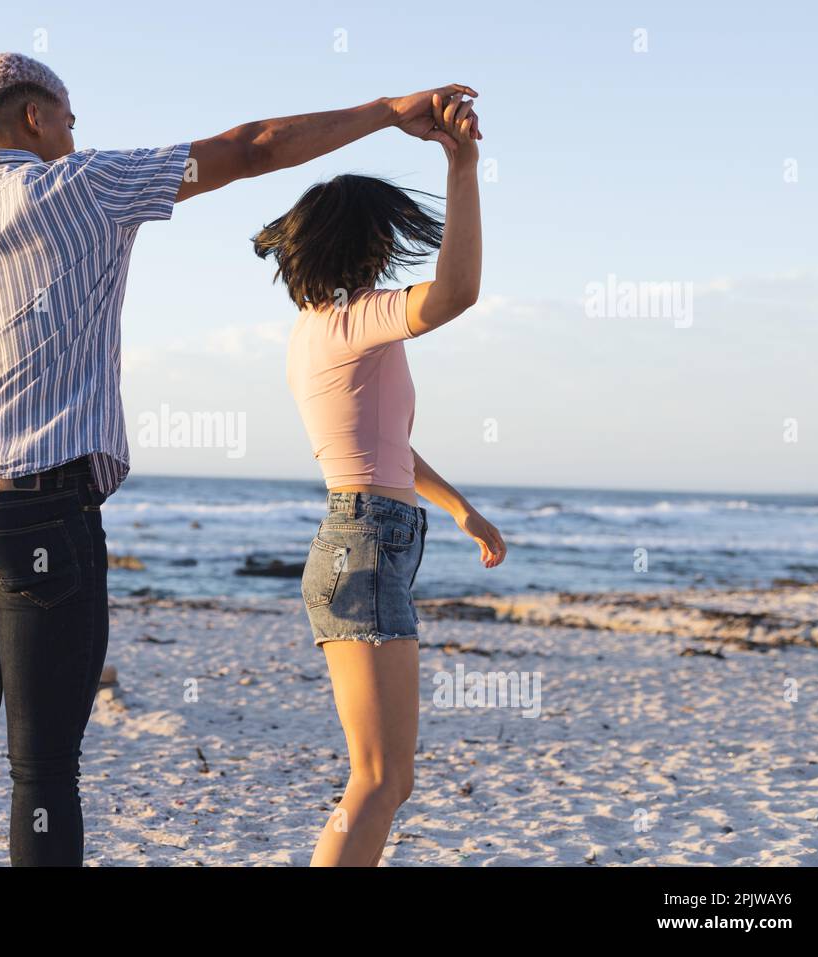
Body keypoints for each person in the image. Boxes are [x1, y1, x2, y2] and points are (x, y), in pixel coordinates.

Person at [0, 50, 485, 866]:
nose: (75, 131)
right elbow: (253, 146)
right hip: (40, 508)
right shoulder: (83, 185)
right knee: (43, 768)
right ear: (34, 118)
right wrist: (384, 110)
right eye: (69, 119)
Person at [253, 91, 507, 866]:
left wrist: (459, 508)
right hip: (364, 544)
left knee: (386, 777)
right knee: (378, 776)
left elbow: (387, 444)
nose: (391, 250)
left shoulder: (317, 332)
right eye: (384, 237)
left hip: (367, 540)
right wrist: (463, 167)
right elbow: (457, 292)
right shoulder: (353, 319)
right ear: (358, 247)